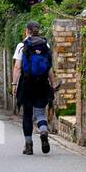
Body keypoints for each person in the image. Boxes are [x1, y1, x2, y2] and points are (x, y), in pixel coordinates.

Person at [12, 21, 55, 155]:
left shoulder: (22, 45)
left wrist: (14, 84)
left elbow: (17, 67)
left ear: (27, 30)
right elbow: (49, 68)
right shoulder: (45, 45)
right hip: (42, 83)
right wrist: (52, 84)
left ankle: (29, 146)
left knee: (27, 115)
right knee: (40, 113)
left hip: (27, 83)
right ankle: (43, 130)